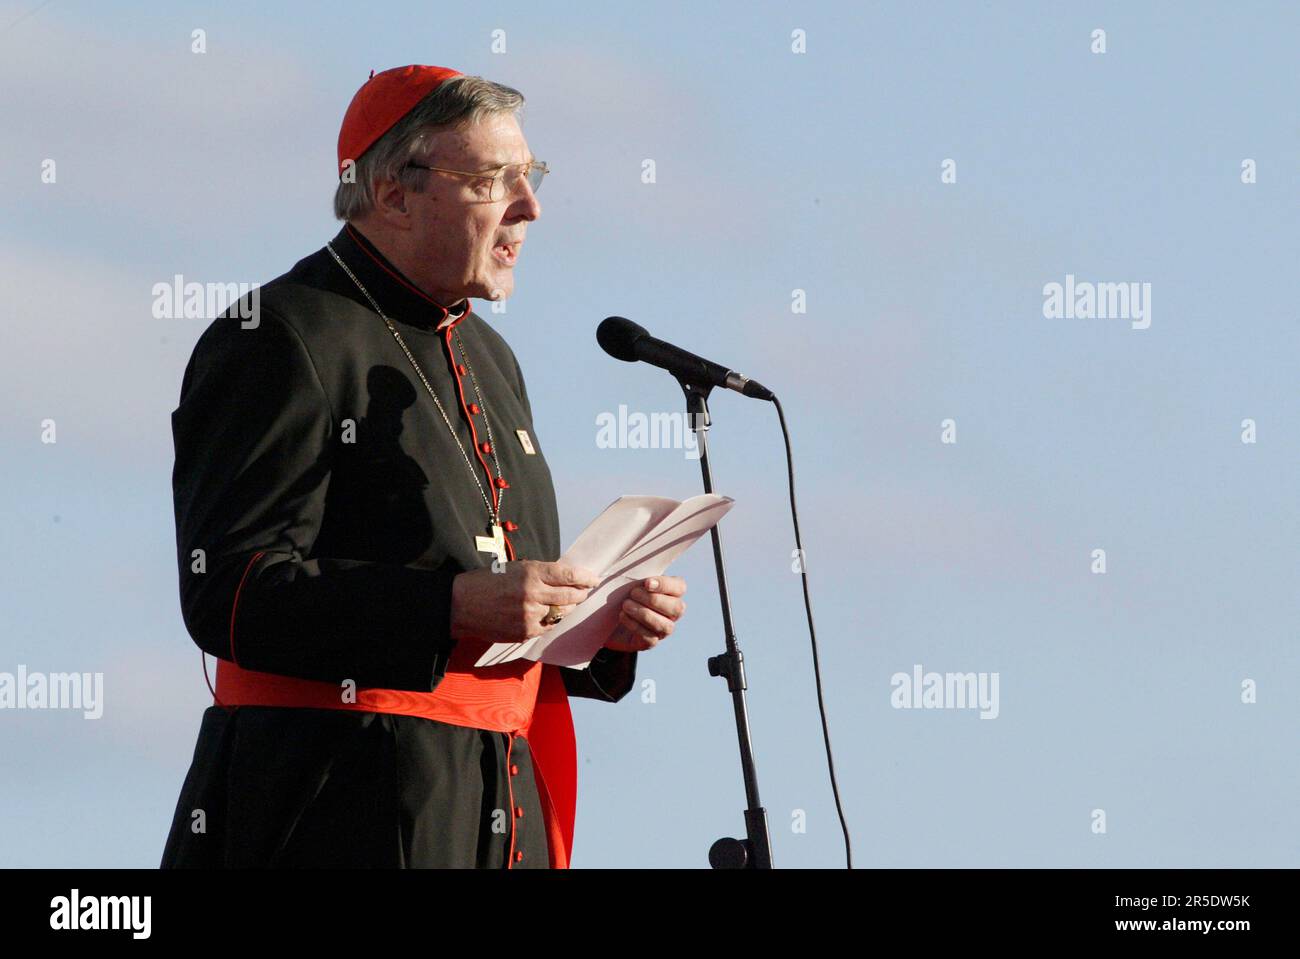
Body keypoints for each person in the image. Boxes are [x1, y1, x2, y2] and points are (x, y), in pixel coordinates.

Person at [159, 64, 688, 868]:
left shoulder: (491, 357)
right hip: (335, 806)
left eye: (531, 176)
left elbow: (500, 631)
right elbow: (229, 591)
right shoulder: (279, 334)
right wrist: (454, 604)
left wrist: (599, 626)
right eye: (493, 180)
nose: (530, 207)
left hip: (495, 799)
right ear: (394, 194)